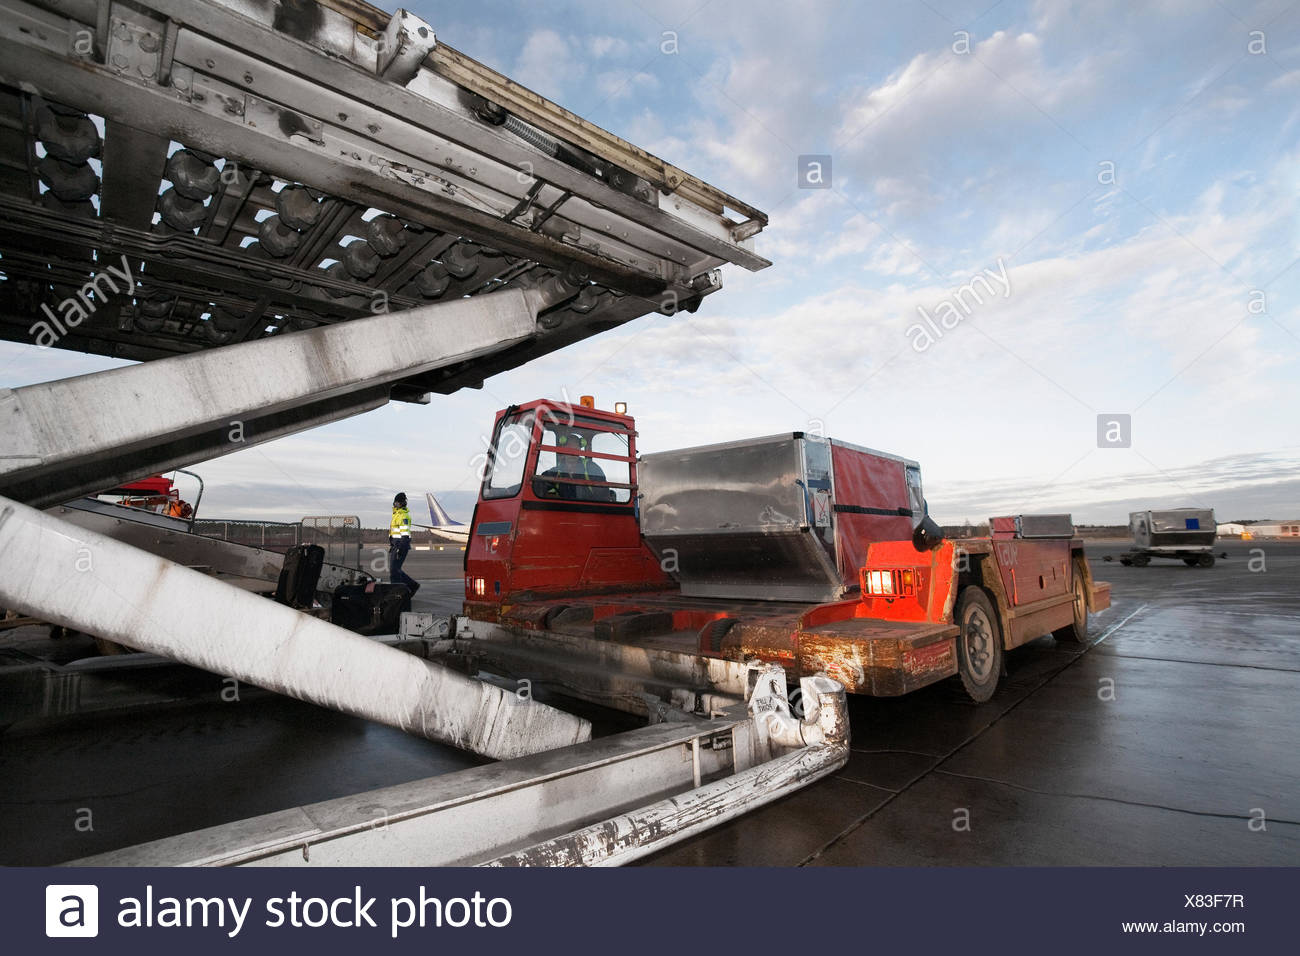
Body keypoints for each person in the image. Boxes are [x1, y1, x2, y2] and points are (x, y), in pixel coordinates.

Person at [537, 429, 613, 502]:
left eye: (575, 448)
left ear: (579, 450)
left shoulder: (591, 468)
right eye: (569, 448)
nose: (572, 451)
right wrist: (551, 495)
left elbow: (603, 495)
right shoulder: (556, 471)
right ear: (564, 449)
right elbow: (541, 483)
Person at [388, 492, 420, 595]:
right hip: (395, 545)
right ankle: (412, 585)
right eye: (395, 502)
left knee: (394, 571)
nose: (395, 504)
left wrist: (400, 548)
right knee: (395, 570)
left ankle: (397, 593)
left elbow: (405, 534)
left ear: (402, 503)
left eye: (397, 502)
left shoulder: (403, 516)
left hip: (400, 546)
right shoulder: (396, 514)